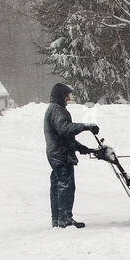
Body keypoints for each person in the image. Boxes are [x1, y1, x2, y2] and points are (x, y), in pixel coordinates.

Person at [44, 82, 99, 228]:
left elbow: (63, 136)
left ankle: (57, 219)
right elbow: (65, 129)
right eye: (67, 95)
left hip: (56, 152)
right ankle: (65, 219)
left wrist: (82, 148)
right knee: (66, 186)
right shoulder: (57, 110)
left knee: (57, 186)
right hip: (60, 155)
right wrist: (86, 126)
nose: (68, 98)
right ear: (60, 96)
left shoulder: (54, 109)